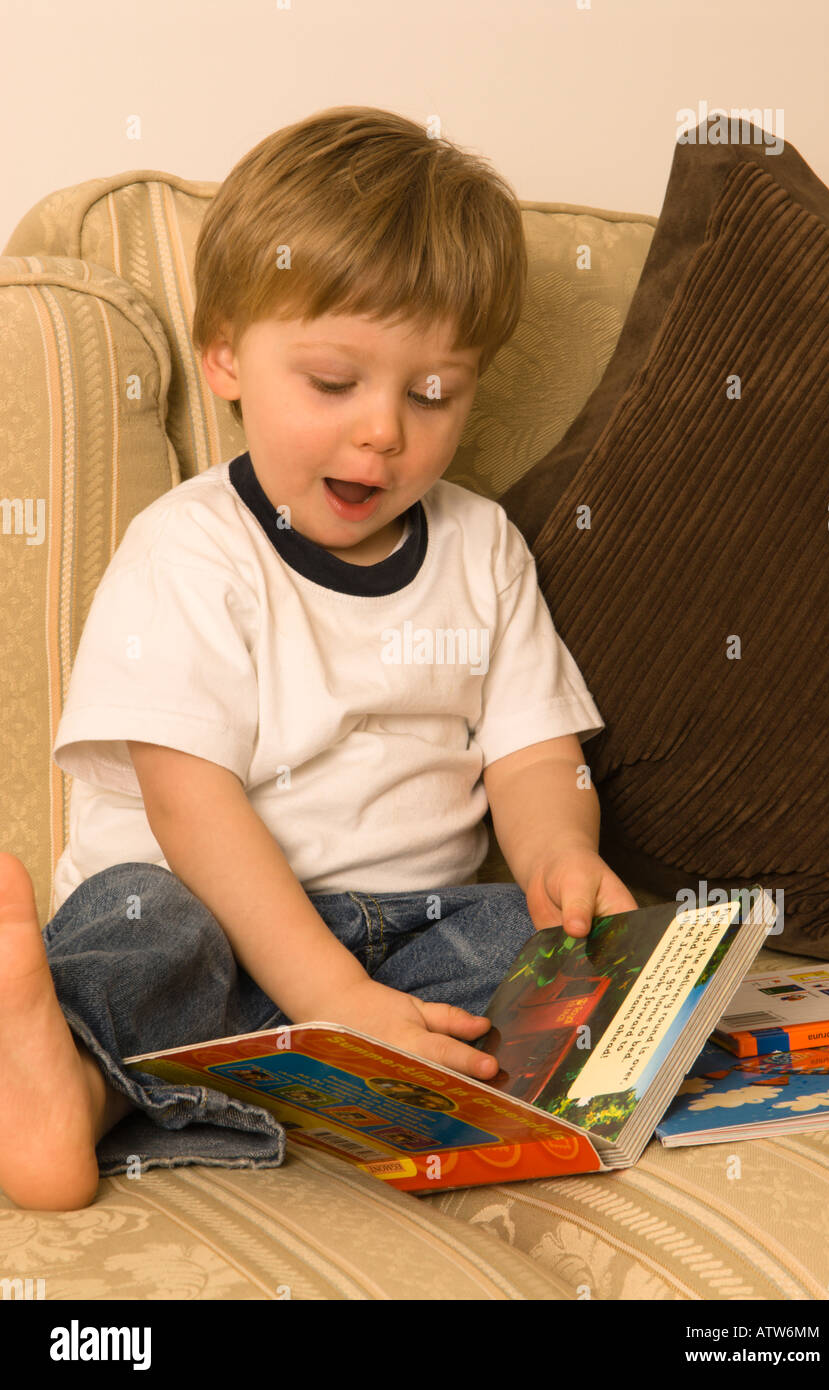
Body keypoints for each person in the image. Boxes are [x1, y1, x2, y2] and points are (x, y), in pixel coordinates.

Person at [0, 106, 636, 1212]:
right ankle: (67, 1091)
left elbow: (535, 754)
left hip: (408, 931)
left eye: (433, 392)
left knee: (534, 952)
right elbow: (191, 806)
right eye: (336, 383)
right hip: (213, 910)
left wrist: (555, 859)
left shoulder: (482, 548)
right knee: (143, 933)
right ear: (228, 357)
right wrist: (327, 990)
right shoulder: (192, 548)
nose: (385, 431)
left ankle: (358, 1072)